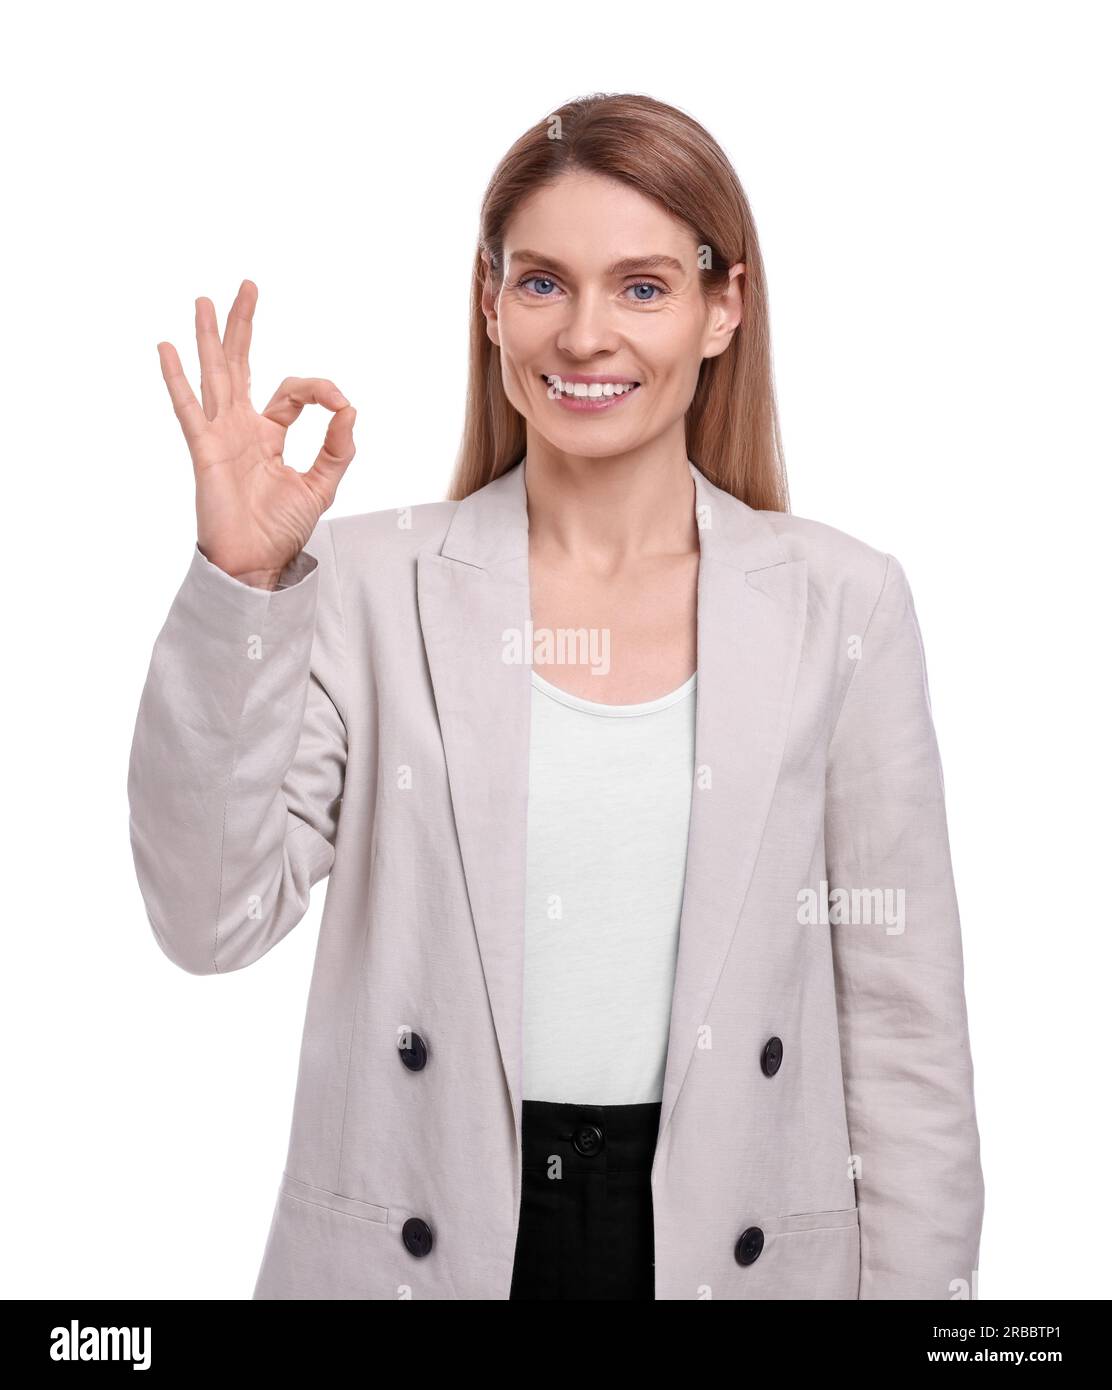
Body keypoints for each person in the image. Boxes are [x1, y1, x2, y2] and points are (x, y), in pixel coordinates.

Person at [128, 92, 984, 1300]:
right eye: (541, 283)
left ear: (721, 306)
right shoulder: (371, 584)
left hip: (730, 1252)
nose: (585, 335)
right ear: (490, 303)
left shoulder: (841, 604)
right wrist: (238, 585)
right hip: (424, 1238)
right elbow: (207, 918)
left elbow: (905, 1040)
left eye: (641, 286)